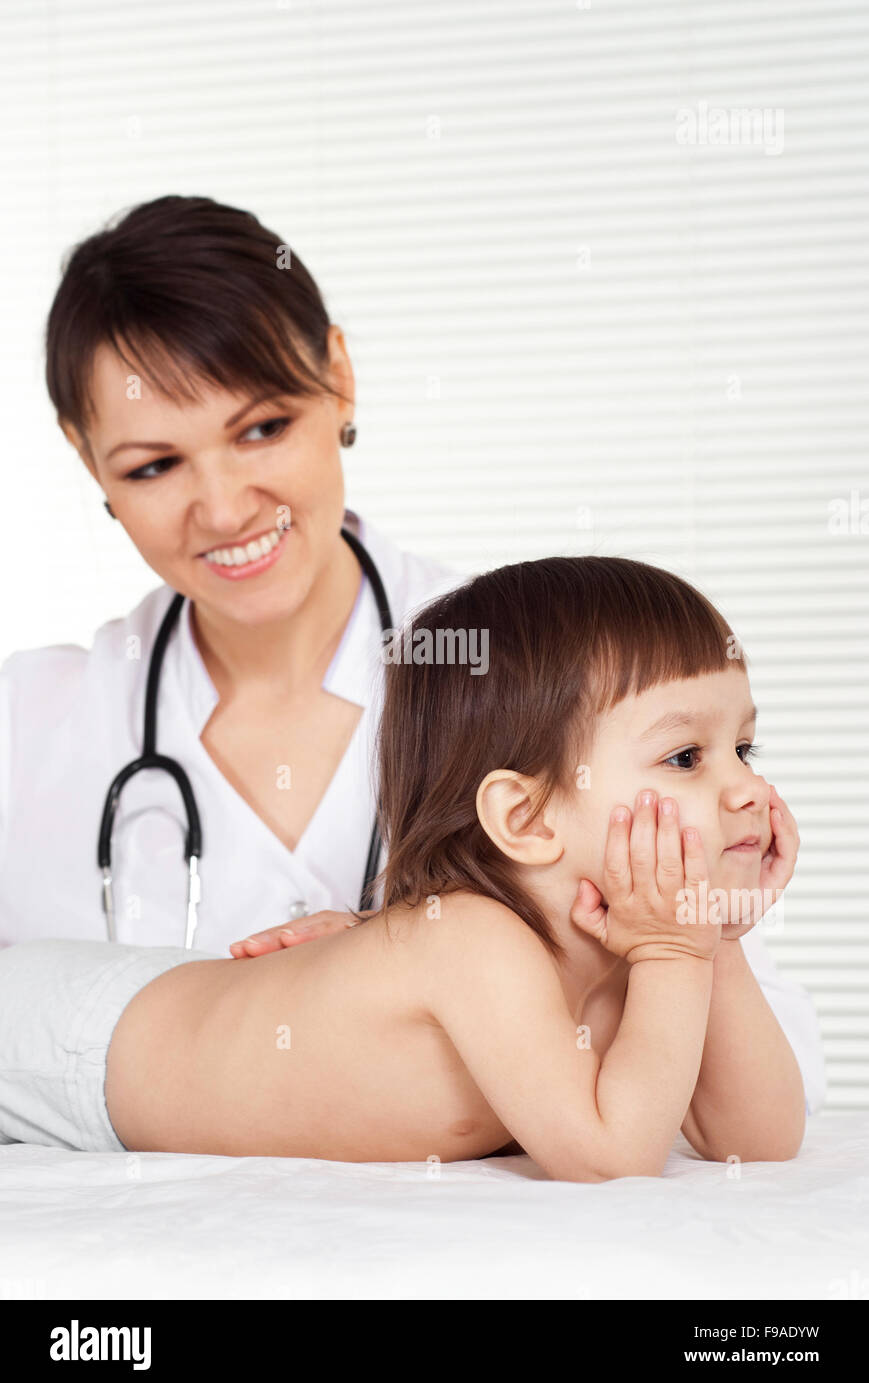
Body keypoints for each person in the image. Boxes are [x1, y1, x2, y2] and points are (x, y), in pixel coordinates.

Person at [0, 558, 820, 1175]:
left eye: (743, 747)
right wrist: (677, 952)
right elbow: (611, 1156)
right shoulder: (473, 940)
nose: (746, 787)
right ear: (526, 817)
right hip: (74, 1036)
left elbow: (755, 1141)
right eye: (686, 756)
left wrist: (714, 938)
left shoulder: (630, 953)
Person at [0, 194, 464, 952]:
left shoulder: (538, 669)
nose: (220, 511)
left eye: (262, 429)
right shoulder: (23, 733)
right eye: (154, 466)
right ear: (88, 460)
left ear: (338, 376)